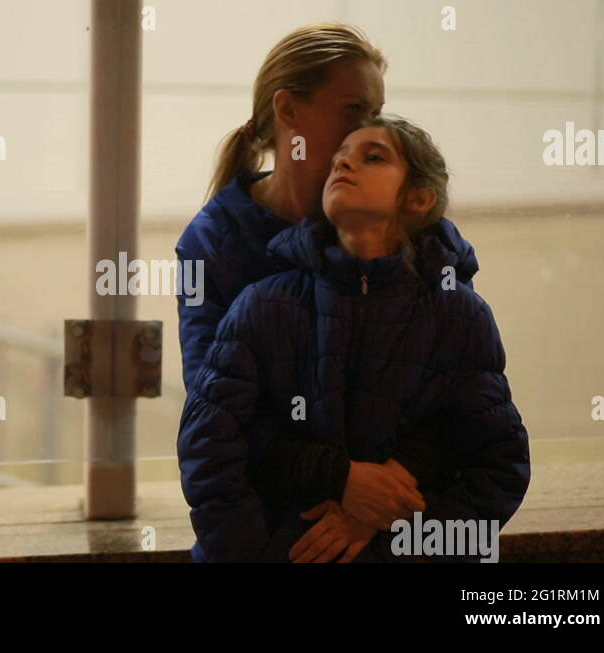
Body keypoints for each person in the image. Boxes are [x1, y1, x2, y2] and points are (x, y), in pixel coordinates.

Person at [176, 23, 478, 556]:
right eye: (353, 111)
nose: (370, 129)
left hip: (394, 527)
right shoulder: (214, 243)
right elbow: (219, 419)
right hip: (277, 533)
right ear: (288, 110)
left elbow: (460, 395)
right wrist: (339, 479)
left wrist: (382, 496)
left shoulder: (411, 233)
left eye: (376, 112)